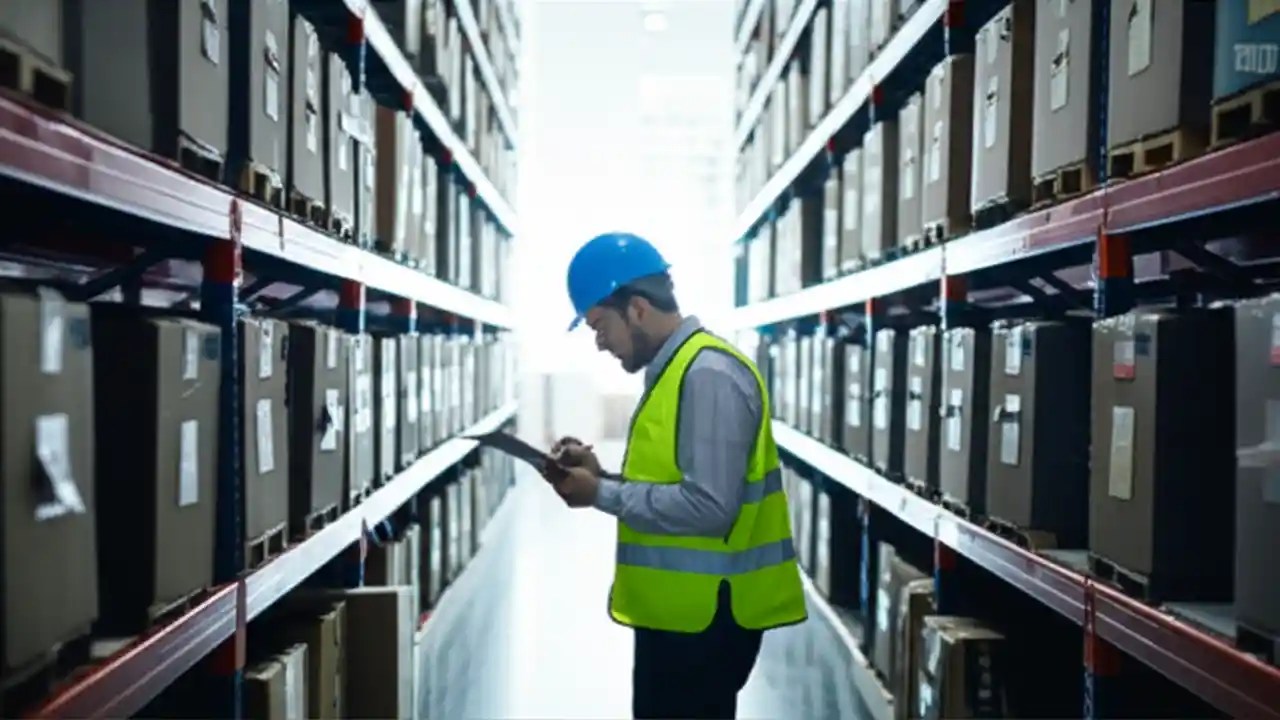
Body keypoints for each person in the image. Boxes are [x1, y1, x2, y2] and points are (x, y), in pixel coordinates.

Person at [543, 231, 807, 720]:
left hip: (706, 621)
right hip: (681, 616)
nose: (599, 344)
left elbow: (709, 507)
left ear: (637, 309)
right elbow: (675, 482)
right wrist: (603, 477)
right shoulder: (676, 370)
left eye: (600, 326)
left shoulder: (708, 375)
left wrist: (600, 495)